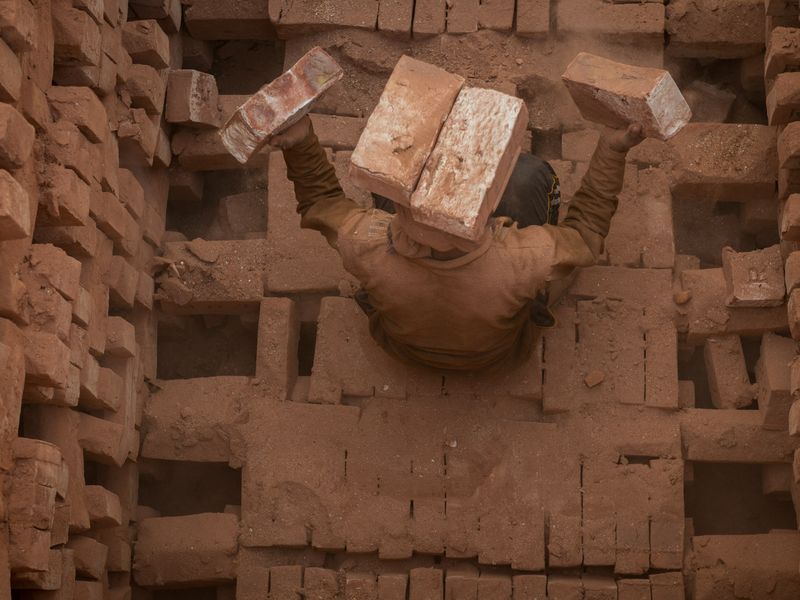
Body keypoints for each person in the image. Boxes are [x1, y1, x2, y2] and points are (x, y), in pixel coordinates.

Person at [269, 115, 644, 371]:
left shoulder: (366, 243)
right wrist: (613, 149)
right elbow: (586, 233)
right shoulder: (524, 258)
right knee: (529, 175)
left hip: (404, 348)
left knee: (390, 173)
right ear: (485, 216)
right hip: (497, 355)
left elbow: (321, 203)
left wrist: (300, 143)